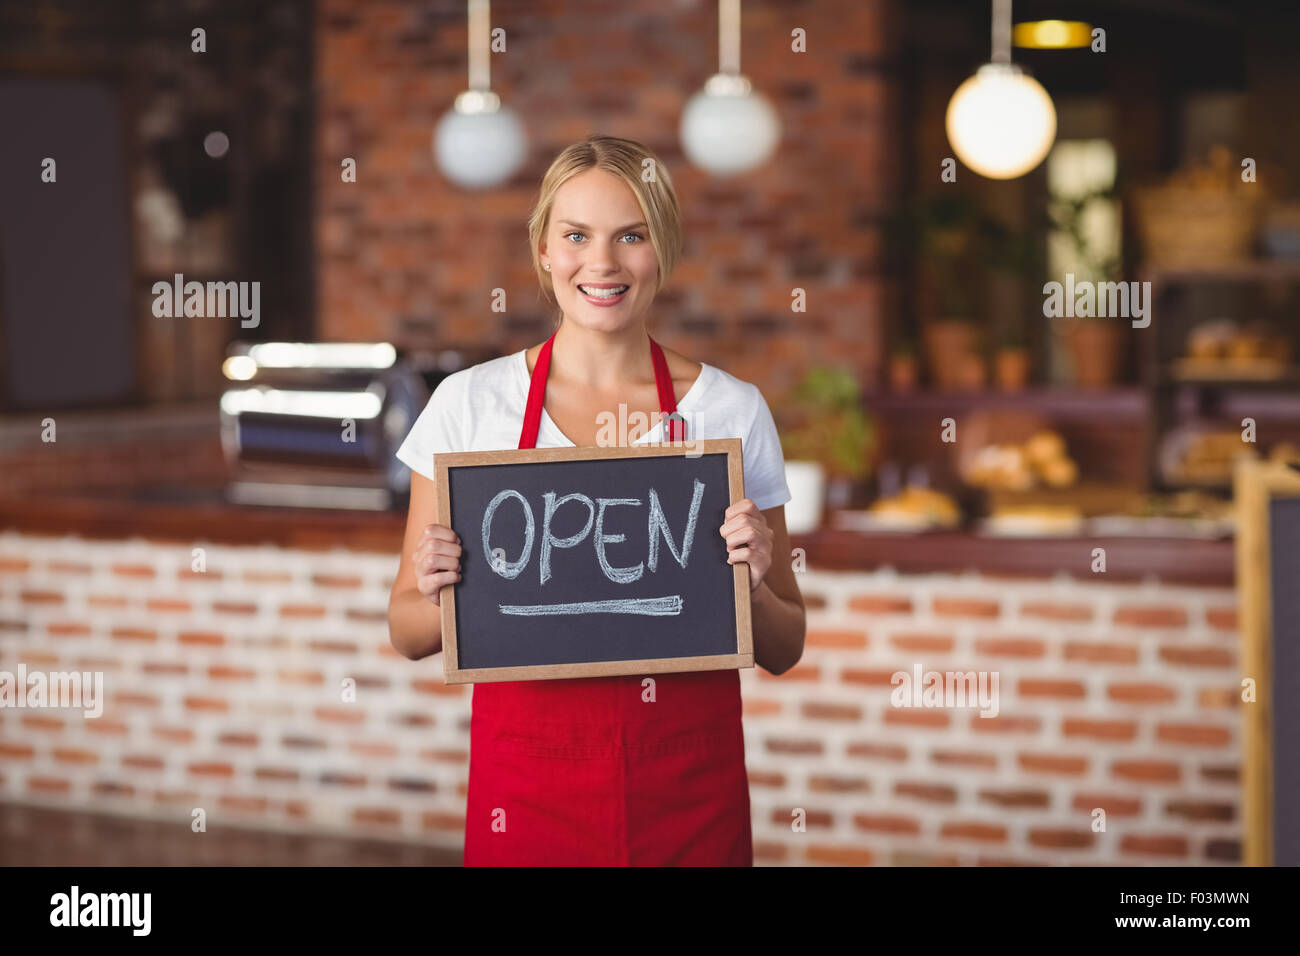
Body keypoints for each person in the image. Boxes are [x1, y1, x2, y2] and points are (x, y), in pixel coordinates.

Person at [388, 135, 806, 866]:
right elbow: (407, 631)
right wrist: (435, 590)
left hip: (687, 788)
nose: (602, 263)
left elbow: (785, 645)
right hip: (525, 790)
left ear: (663, 249)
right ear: (544, 250)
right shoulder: (470, 406)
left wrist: (757, 583)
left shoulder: (731, 413)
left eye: (631, 236)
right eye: (576, 235)